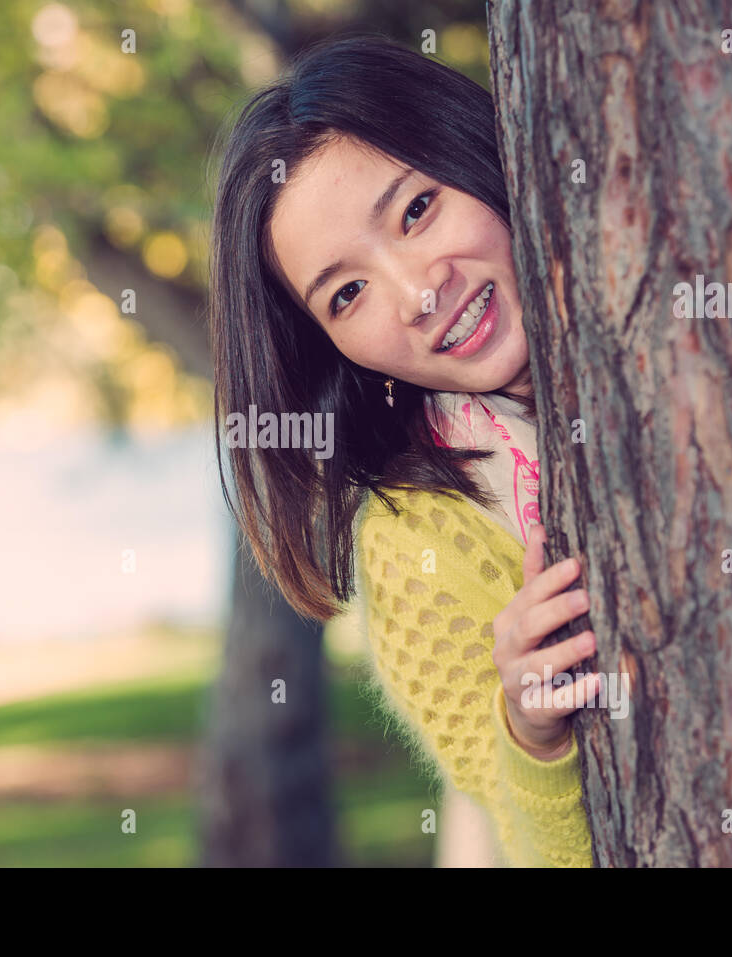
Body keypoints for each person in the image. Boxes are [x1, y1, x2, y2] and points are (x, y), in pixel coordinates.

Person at [207, 32, 599, 867]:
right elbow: (539, 844)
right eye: (348, 293)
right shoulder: (413, 547)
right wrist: (531, 731)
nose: (420, 293)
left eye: (416, 210)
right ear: (330, 347)